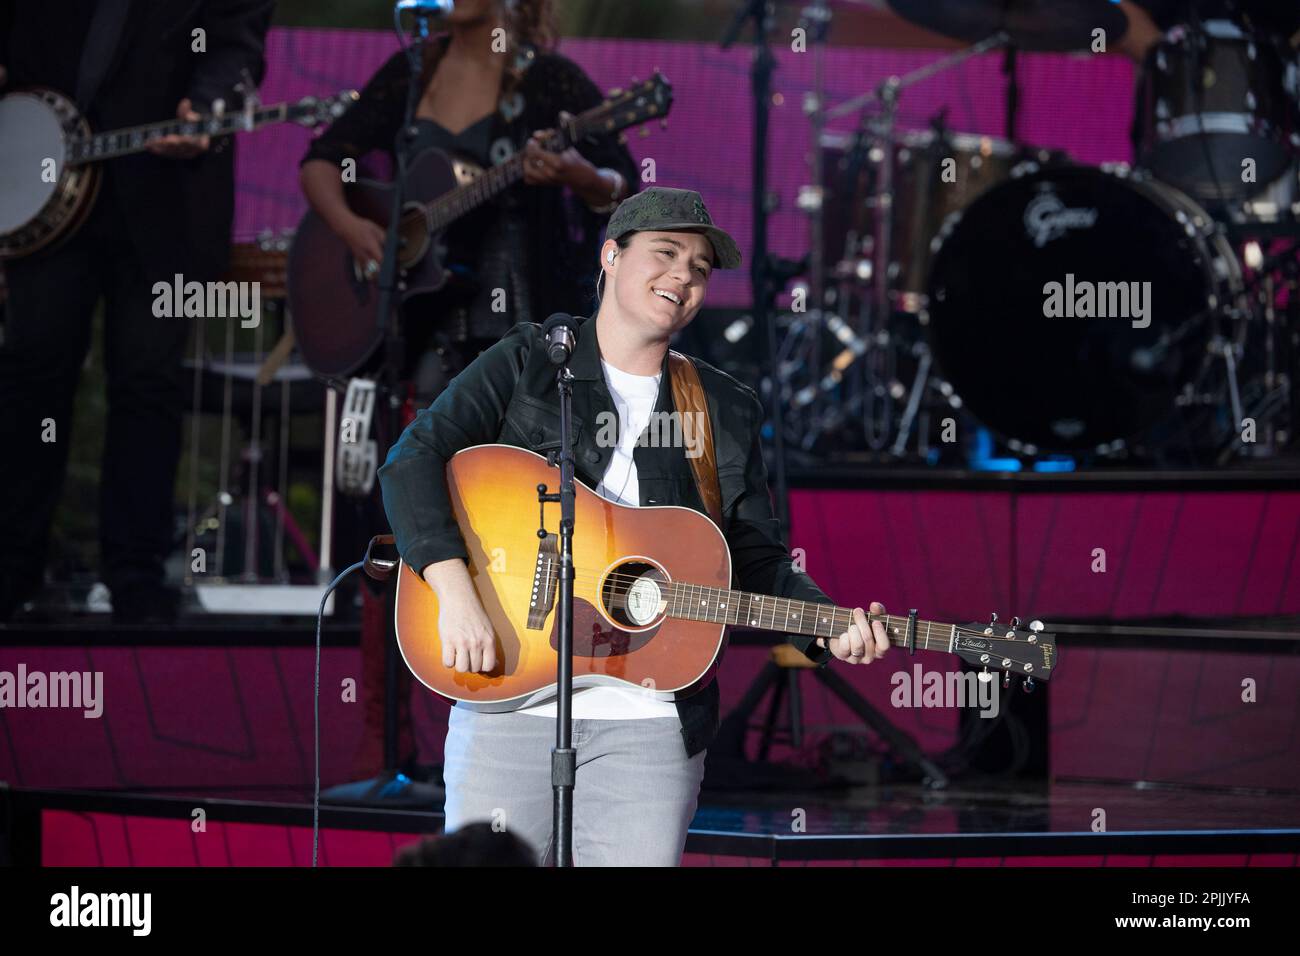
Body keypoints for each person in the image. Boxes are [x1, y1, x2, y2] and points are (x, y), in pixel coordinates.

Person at [378, 186, 893, 867]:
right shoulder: (532, 361)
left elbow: (754, 559)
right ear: (611, 257)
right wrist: (456, 592)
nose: (683, 274)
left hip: (650, 723)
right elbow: (412, 461)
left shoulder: (723, 407)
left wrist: (829, 623)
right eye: (667, 253)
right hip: (509, 697)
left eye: (700, 267)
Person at [299, 0, 638, 781]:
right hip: (419, 342)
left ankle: (505, 745)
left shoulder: (547, 80)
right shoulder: (411, 69)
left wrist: (579, 174)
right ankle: (385, 747)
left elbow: (622, 184)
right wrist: (357, 230)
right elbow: (324, 159)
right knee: (401, 531)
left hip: (513, 337)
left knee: (515, 540)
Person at [0, 0, 274, 624]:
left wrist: (206, 105)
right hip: (39, 185)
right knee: (32, 372)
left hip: (164, 199)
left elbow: (236, 44)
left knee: (147, 382)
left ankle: (136, 579)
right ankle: (13, 569)